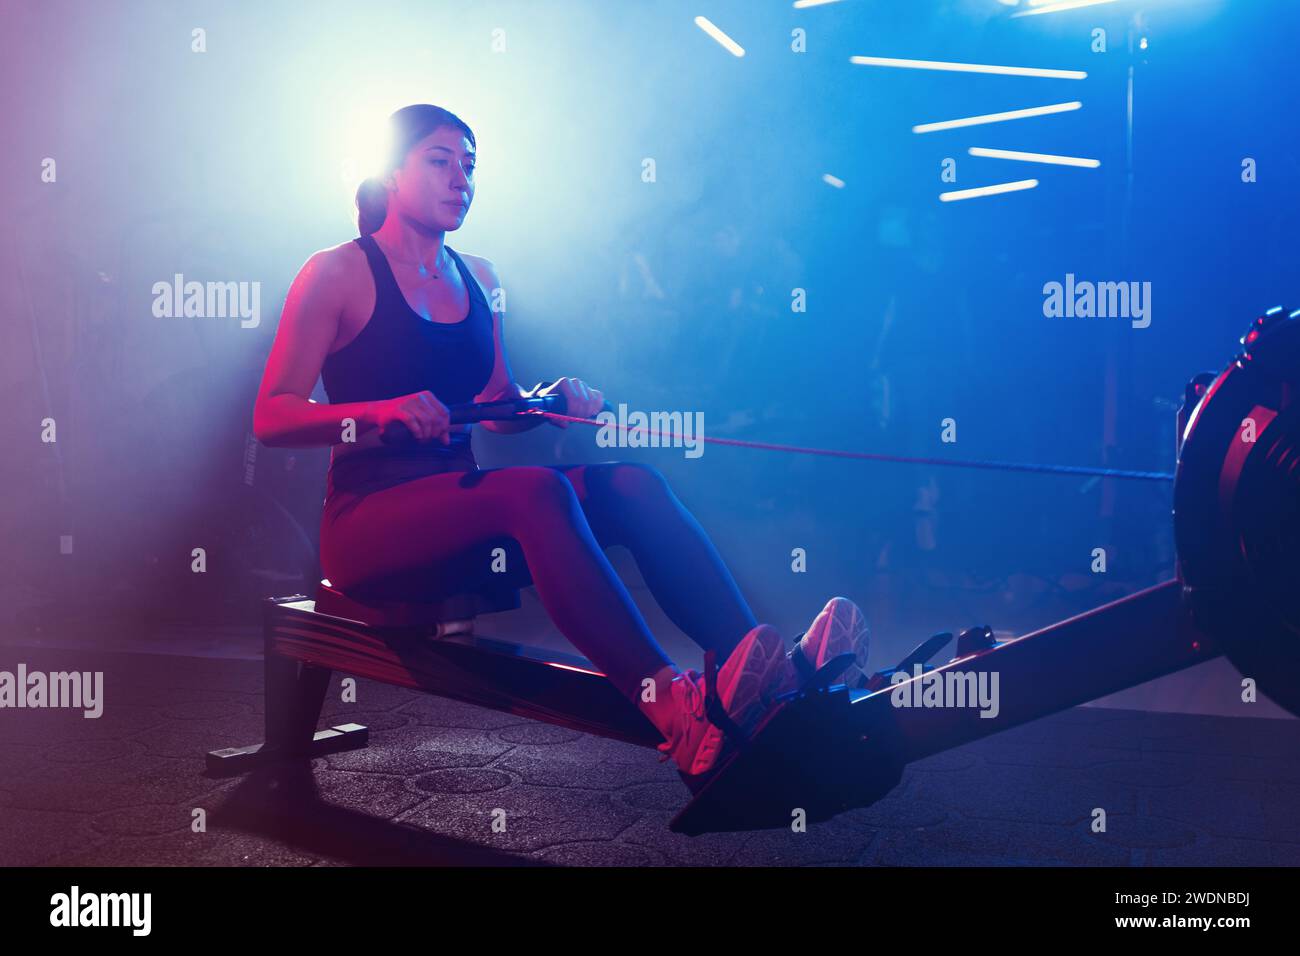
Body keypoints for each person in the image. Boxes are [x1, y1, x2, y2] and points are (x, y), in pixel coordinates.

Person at [252, 104, 869, 776]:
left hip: (460, 516)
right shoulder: (336, 273)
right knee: (535, 492)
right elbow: (273, 416)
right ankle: (676, 715)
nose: (460, 178)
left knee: (631, 481)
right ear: (392, 172)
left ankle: (765, 681)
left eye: (470, 166)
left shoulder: (479, 278)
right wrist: (378, 415)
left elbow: (493, 408)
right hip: (369, 527)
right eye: (440, 161)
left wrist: (548, 405)